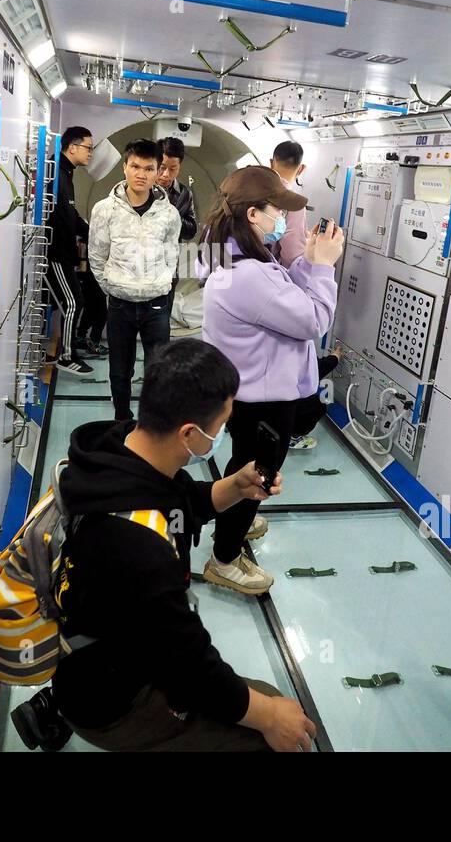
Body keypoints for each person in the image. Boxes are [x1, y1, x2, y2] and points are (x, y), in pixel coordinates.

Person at [50, 338, 318, 752]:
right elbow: (189, 665)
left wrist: (234, 488)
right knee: (277, 730)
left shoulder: (120, 450)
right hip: (114, 700)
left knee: (264, 699)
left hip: (101, 655)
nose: (224, 432)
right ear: (190, 434)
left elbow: (179, 503)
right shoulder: (138, 548)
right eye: (222, 424)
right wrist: (267, 718)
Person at [197, 166, 344, 594]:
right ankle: (224, 560)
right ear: (252, 215)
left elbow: (282, 294)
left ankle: (234, 511)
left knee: (243, 463)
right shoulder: (247, 274)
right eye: (276, 209)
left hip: (247, 391)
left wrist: (306, 260)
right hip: (263, 399)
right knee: (260, 473)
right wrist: (323, 266)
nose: (282, 216)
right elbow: (312, 318)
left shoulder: (230, 254)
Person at [88, 139, 181, 421]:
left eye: (149, 168)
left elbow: (172, 254)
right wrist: (114, 285)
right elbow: (97, 255)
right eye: (135, 166)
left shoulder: (169, 214)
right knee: (119, 368)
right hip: (120, 303)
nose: (141, 174)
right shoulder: (105, 210)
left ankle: (151, 424)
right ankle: (122, 419)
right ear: (125, 168)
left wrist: (160, 283)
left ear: (157, 173)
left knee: (158, 369)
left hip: (156, 303)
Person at [47, 126, 95, 376]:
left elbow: (71, 214)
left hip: (64, 252)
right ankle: (65, 356)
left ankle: (67, 349)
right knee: (73, 301)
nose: (91, 153)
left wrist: (90, 231)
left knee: (71, 301)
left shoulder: (66, 172)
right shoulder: (56, 173)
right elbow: (61, 218)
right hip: (56, 253)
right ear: (72, 147)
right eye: (88, 147)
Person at [157, 136, 199, 318]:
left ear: (179, 166)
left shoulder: (184, 194)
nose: (166, 174)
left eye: (172, 169)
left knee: (162, 317)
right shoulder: (142, 189)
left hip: (169, 265)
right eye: (162, 167)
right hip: (140, 262)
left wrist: (172, 216)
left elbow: (191, 230)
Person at [268, 140, 309, 269]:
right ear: (301, 169)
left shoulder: (252, 188)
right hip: (266, 271)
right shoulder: (294, 204)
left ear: (271, 163)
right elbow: (292, 255)